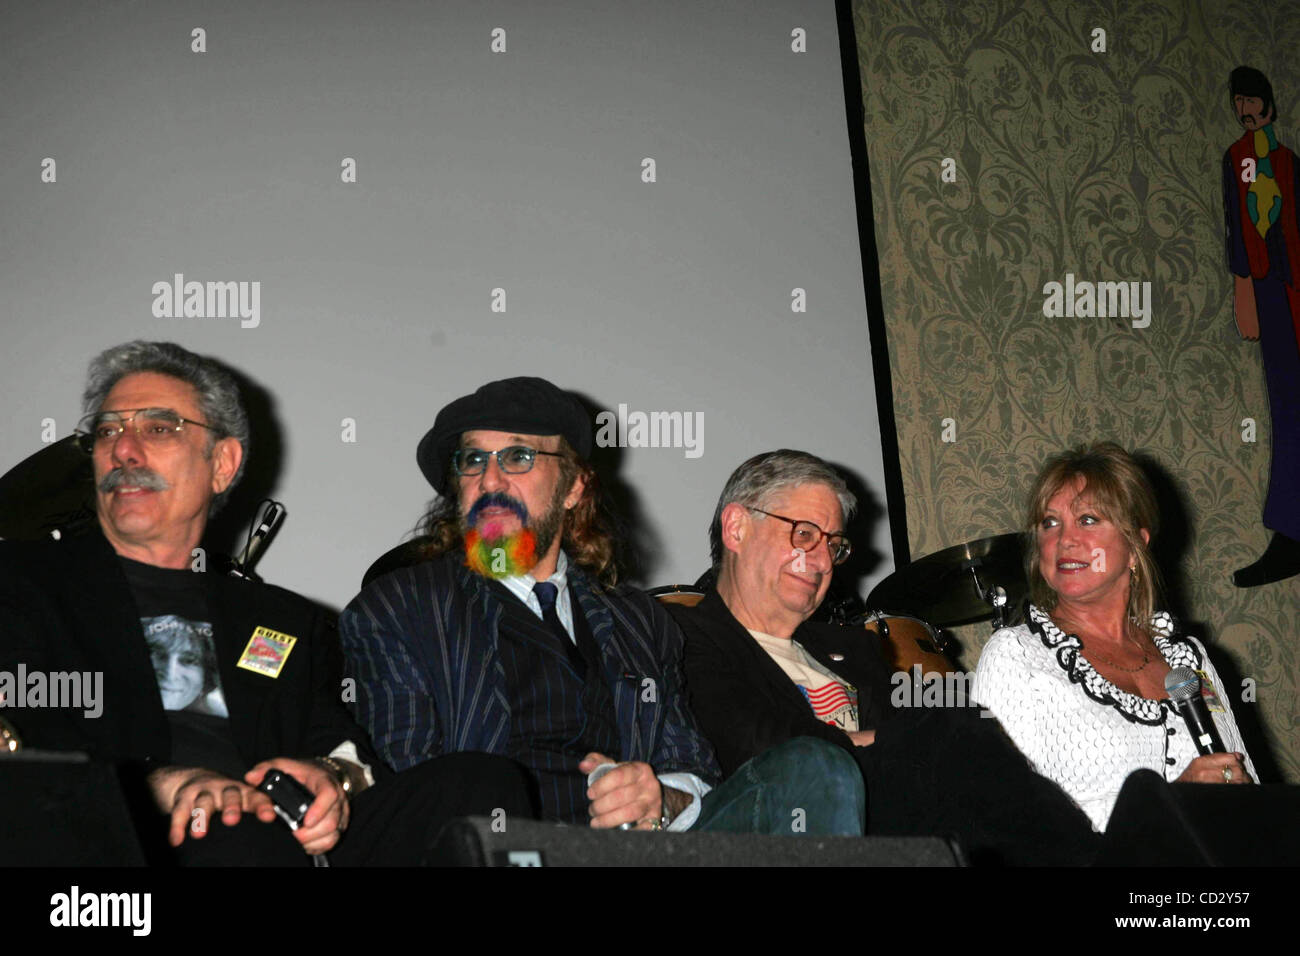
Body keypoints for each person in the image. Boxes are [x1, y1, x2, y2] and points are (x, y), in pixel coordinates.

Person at [0, 341, 533, 865]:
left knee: (480, 784)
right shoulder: (23, 583)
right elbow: (25, 733)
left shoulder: (282, 619)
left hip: (279, 838)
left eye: (158, 428)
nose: (123, 449)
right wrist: (155, 786)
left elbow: (340, 743)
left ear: (223, 464)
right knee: (235, 828)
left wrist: (331, 779)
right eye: (109, 430)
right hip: (114, 838)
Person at [340, 378, 863, 836]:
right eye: (473, 460)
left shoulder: (639, 621)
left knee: (813, 767)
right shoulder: (398, 607)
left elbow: (692, 766)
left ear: (574, 486)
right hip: (493, 846)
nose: (490, 480)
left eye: (518, 457)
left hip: (640, 852)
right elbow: (408, 784)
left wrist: (659, 797)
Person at [668, 449, 1102, 865]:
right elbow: (757, 745)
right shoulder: (682, 635)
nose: (822, 560)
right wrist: (917, 738)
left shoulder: (854, 648)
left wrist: (917, 739)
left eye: (834, 545)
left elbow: (909, 749)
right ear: (737, 529)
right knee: (954, 728)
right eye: (804, 534)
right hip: (776, 826)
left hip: (899, 829)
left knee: (968, 745)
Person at [974, 442, 1257, 832]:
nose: (1065, 540)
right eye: (1049, 523)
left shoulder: (1188, 659)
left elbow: (1250, 788)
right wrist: (1170, 802)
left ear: (1136, 543)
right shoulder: (1017, 656)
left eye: (1088, 519)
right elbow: (999, 819)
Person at [1222, 66, 1300, 586]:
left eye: (1253, 103)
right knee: (1288, 403)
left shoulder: (1290, 162)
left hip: (1296, 282)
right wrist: (1245, 289)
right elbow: (1238, 223)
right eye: (1239, 106)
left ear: (1268, 106)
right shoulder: (1236, 160)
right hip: (1270, 287)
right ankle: (1291, 529)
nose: (1247, 112)